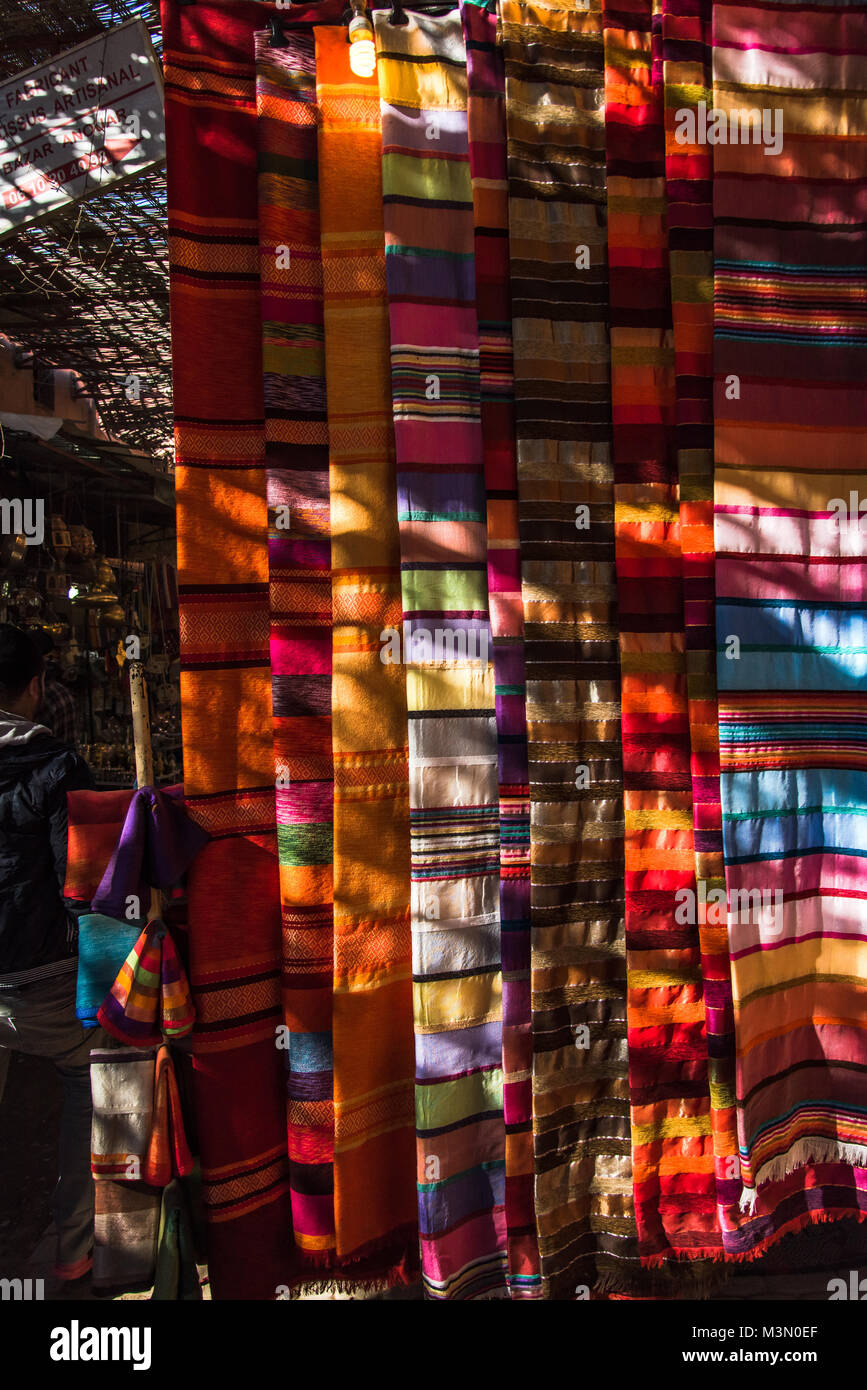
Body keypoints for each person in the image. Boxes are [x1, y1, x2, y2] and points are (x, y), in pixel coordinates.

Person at [0, 624, 97, 1282]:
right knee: (91, 1074)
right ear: (36, 687)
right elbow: (78, 886)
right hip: (39, 982)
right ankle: (71, 1251)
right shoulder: (54, 766)